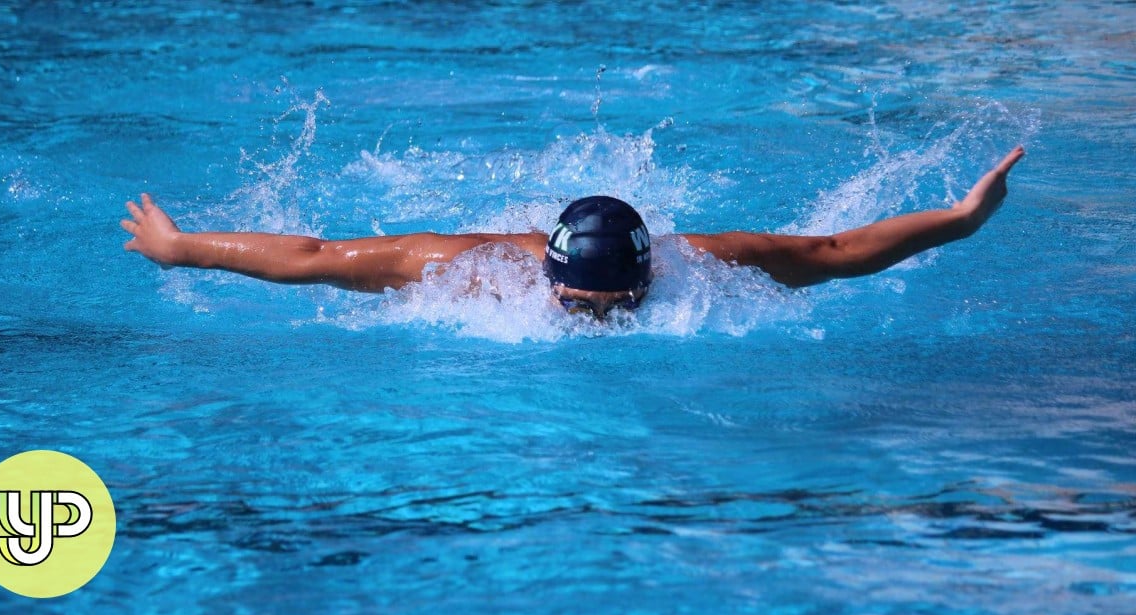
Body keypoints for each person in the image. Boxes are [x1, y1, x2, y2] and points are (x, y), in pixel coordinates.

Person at [122, 147, 1025, 319]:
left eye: (618, 304)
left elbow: (836, 253)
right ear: (548, 279)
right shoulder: (471, 274)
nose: (600, 321)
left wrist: (959, 220)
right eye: (581, 305)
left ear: (647, 275)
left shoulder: (701, 269)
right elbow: (317, 258)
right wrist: (183, 247)